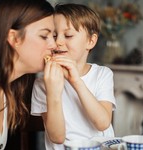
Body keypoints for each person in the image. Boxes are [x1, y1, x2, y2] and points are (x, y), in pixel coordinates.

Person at [31, 3, 116, 150]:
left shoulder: (102, 74)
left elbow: (103, 123)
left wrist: (76, 81)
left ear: (91, 41)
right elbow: (57, 138)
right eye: (54, 35)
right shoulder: (43, 83)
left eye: (68, 35)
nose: (58, 42)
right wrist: (53, 92)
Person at [0, 0, 56, 149]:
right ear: (13, 38)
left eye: (54, 36)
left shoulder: (4, 92)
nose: (54, 45)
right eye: (44, 36)